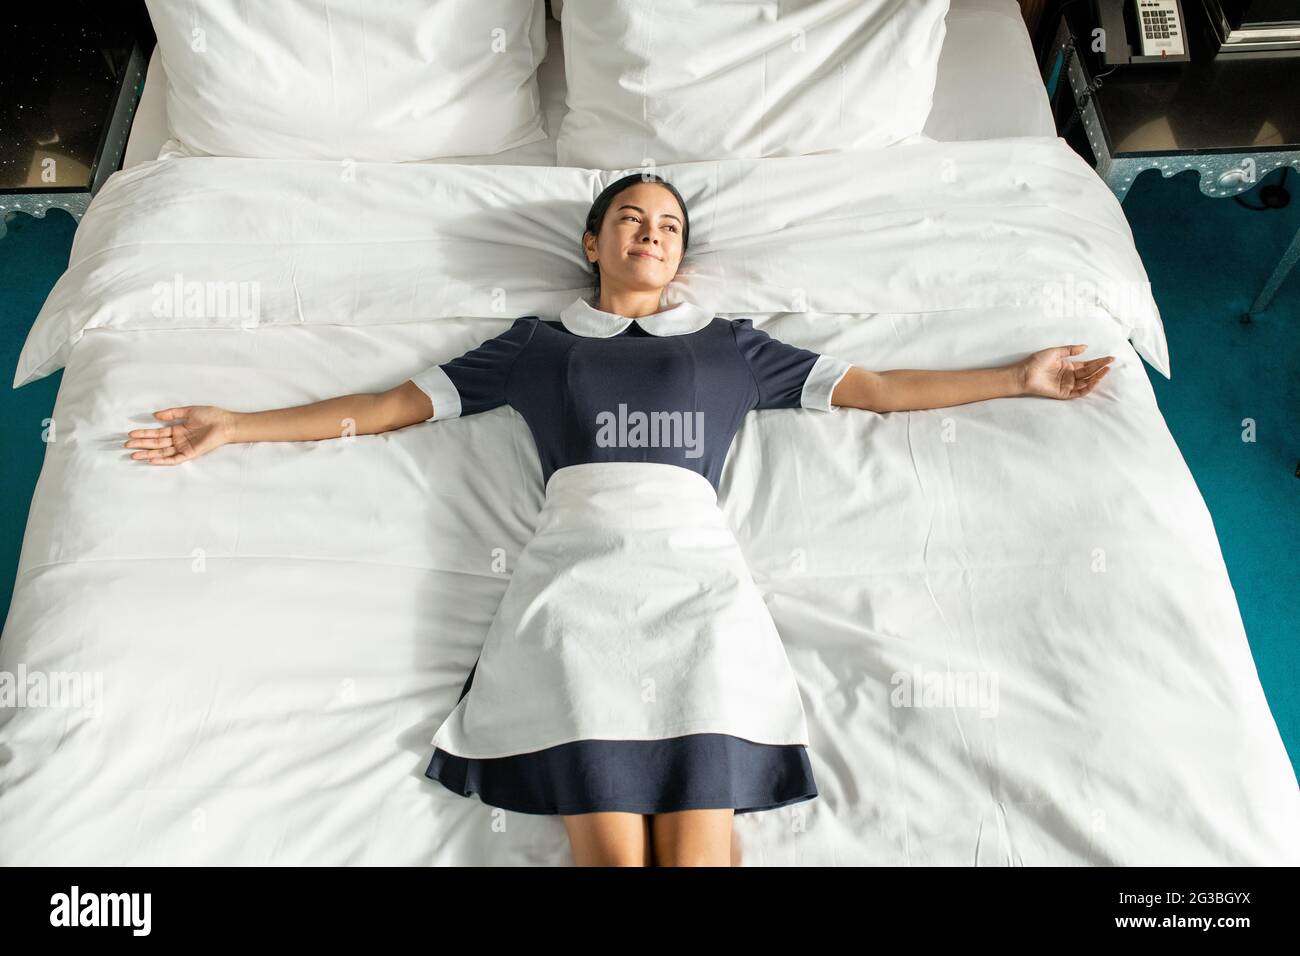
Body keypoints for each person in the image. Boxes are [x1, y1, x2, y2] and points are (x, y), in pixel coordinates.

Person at [123, 173, 1114, 867]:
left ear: (681, 255)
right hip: (576, 587)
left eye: (669, 225)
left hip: (699, 586)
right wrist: (237, 423)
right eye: (630, 219)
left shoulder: (734, 345)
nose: (650, 233)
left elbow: (882, 387)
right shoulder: (535, 345)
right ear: (592, 243)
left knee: (696, 846)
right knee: (608, 851)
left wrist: (1016, 377)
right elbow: (386, 405)